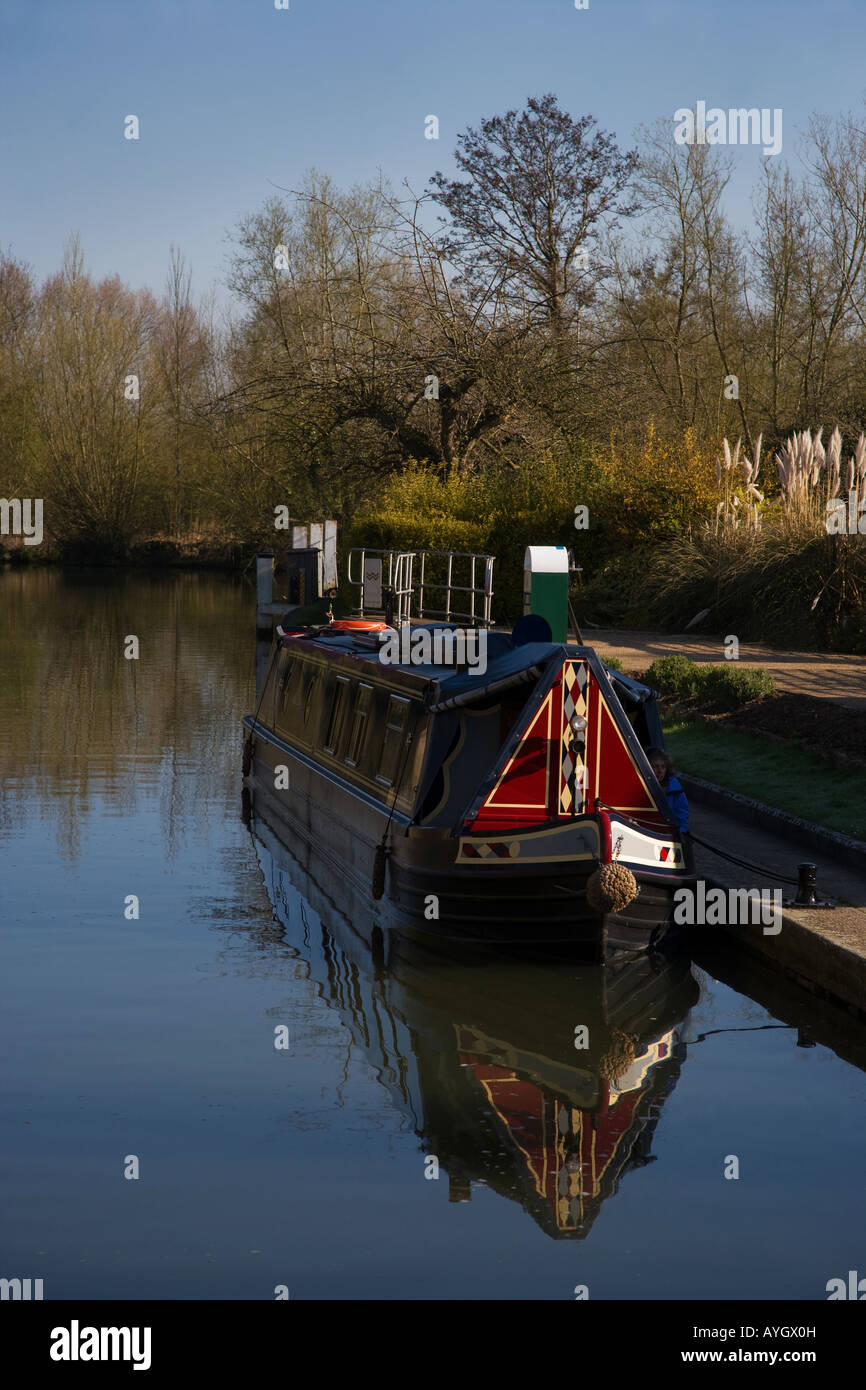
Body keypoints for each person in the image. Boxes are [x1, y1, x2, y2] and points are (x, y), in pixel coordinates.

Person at [646, 746, 689, 836]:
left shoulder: (675, 789)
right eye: (655, 766)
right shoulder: (642, 786)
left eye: (663, 767)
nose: (660, 771)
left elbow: (682, 814)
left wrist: (680, 832)